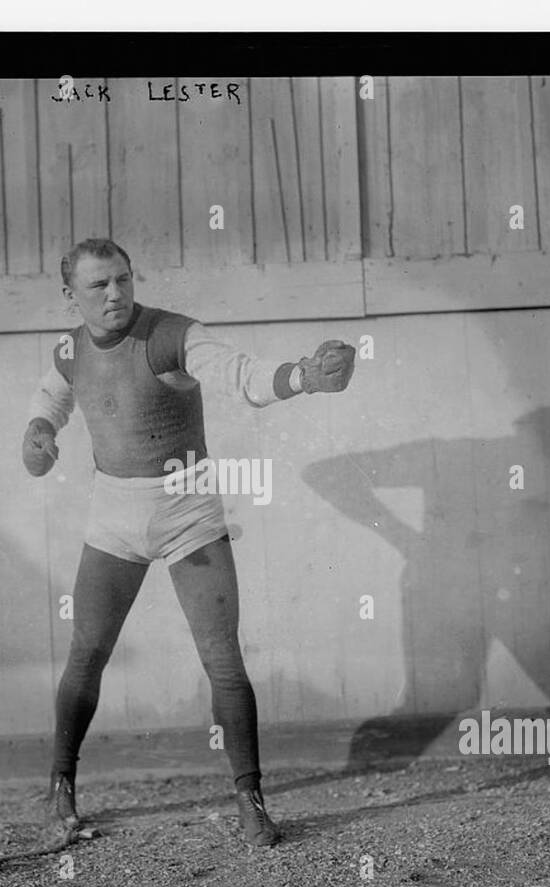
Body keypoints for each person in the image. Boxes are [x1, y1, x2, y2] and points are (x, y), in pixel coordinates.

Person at [23, 237, 356, 847]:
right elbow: (52, 397)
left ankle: (251, 801)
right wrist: (39, 432)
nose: (116, 293)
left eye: (123, 278)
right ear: (70, 296)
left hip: (188, 512)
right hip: (113, 517)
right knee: (86, 656)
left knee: (223, 661)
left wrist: (302, 376)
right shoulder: (69, 348)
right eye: (99, 286)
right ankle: (60, 790)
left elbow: (243, 377)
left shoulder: (173, 334)